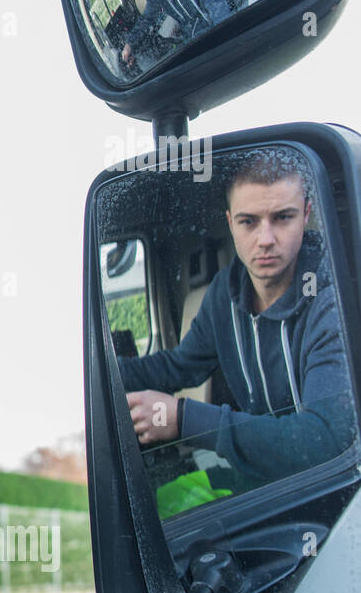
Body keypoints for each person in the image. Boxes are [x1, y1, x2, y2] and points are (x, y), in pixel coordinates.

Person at [119, 149, 356, 486]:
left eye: (283, 218)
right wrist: (106, 373)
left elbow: (325, 439)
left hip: (324, 489)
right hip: (257, 479)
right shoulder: (223, 293)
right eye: (249, 222)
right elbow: (179, 366)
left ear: (306, 215)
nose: (266, 240)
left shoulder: (330, 300)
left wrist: (184, 419)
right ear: (231, 223)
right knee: (164, 500)